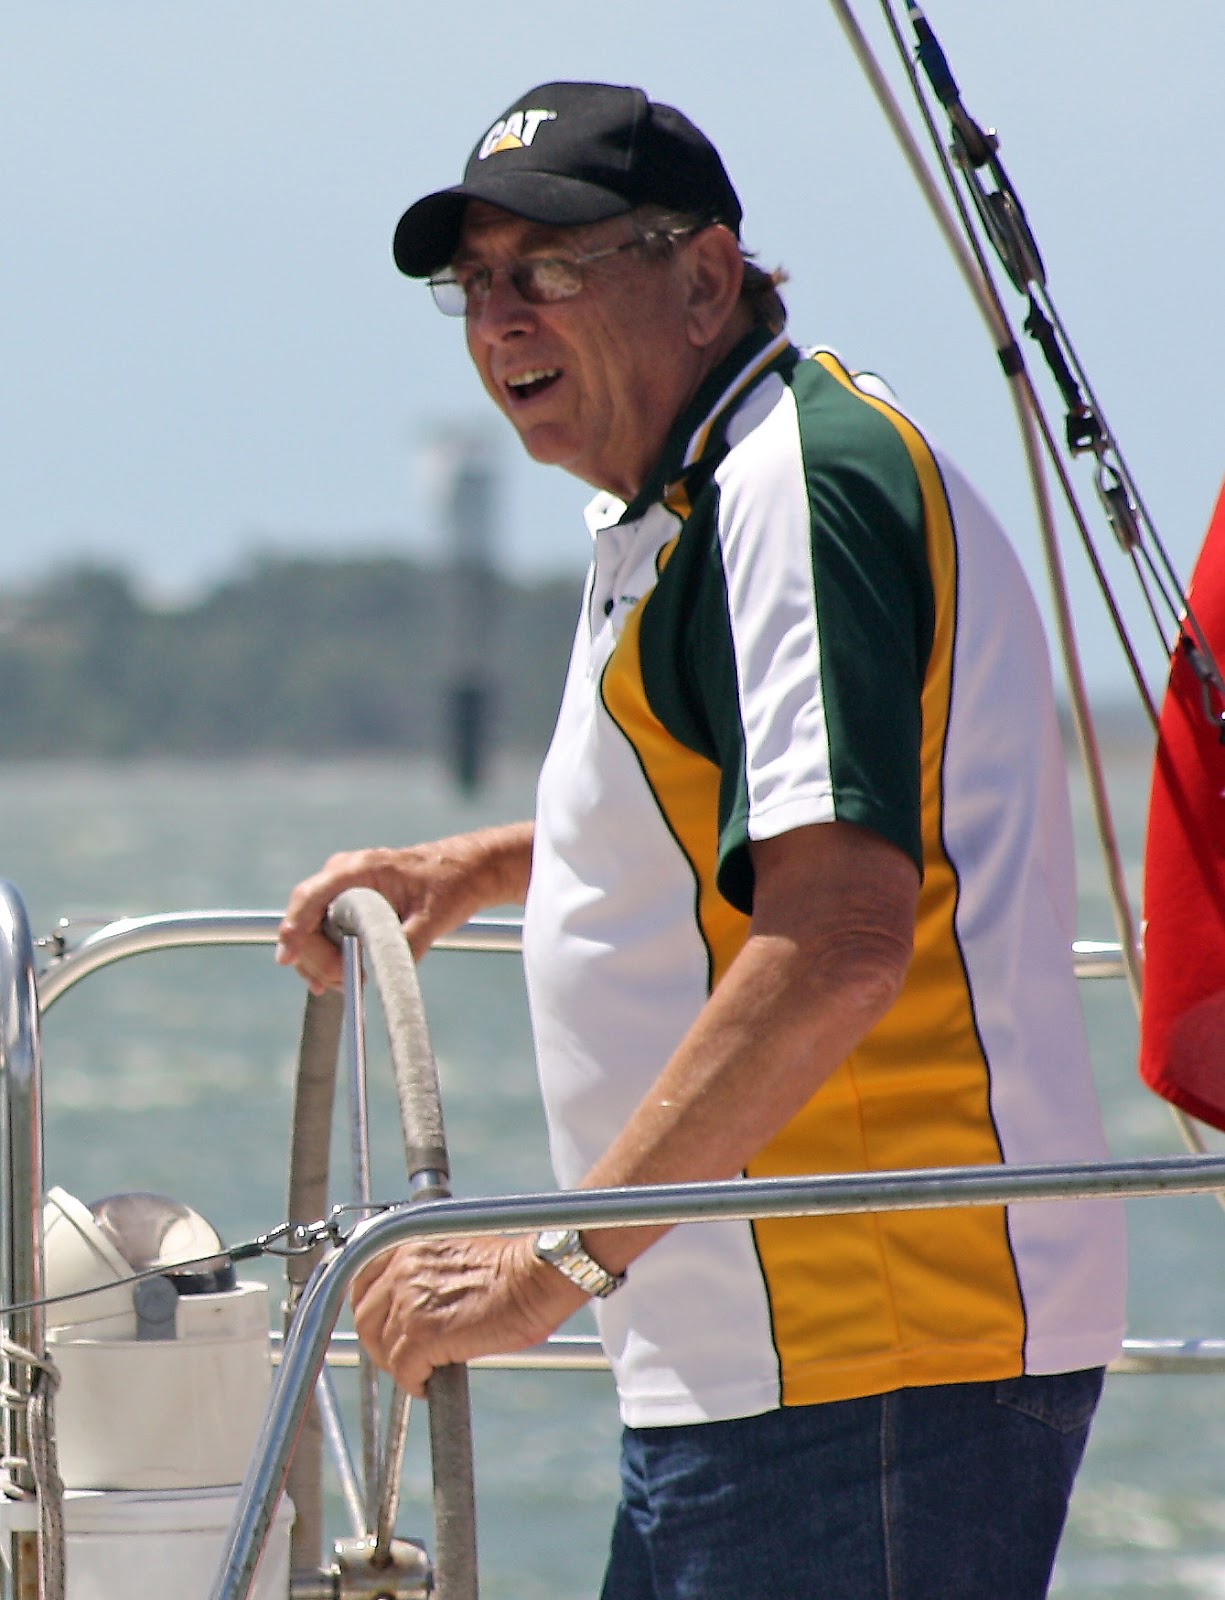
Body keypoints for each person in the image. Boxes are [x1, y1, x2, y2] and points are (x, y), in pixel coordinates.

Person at [275, 80, 1127, 1599]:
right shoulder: (701, 494)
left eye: (548, 269)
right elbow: (750, 806)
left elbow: (838, 937)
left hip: (867, 1359)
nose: (500, 319)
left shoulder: (794, 489)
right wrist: (478, 869)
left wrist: (552, 1265)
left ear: (705, 276)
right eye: (472, 283)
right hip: (771, 1364)